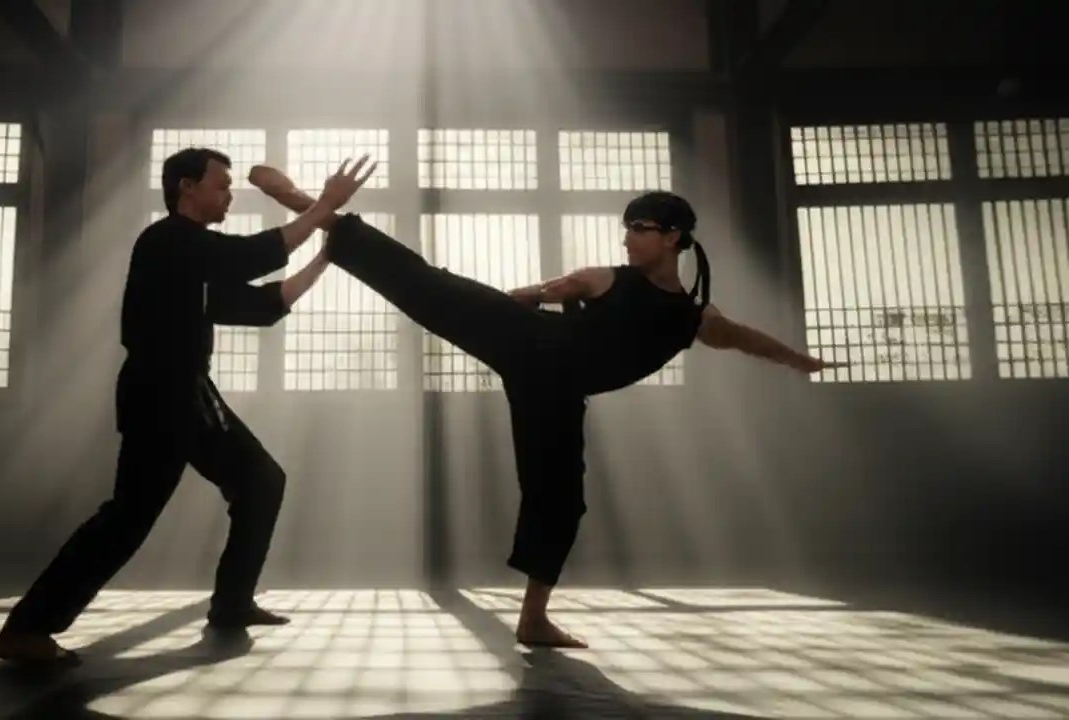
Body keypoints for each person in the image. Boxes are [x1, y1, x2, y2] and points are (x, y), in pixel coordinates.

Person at [248, 164, 843, 649]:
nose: (627, 238)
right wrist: (495, 306)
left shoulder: (692, 317)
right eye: (626, 228)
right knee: (427, 283)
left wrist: (797, 360)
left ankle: (533, 619)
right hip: (526, 340)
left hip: (554, 391)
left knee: (561, 498)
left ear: (673, 238)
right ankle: (307, 204)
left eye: (639, 228)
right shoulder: (602, 278)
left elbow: (741, 338)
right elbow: (530, 295)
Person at [0, 150, 375, 664]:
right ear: (187, 188)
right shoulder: (167, 241)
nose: (230, 194)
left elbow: (261, 304)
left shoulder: (192, 259)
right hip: (159, 393)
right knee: (129, 516)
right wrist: (324, 204)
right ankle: (27, 630)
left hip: (188, 393)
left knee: (260, 481)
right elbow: (250, 256)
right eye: (221, 185)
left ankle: (232, 603)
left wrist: (326, 256)